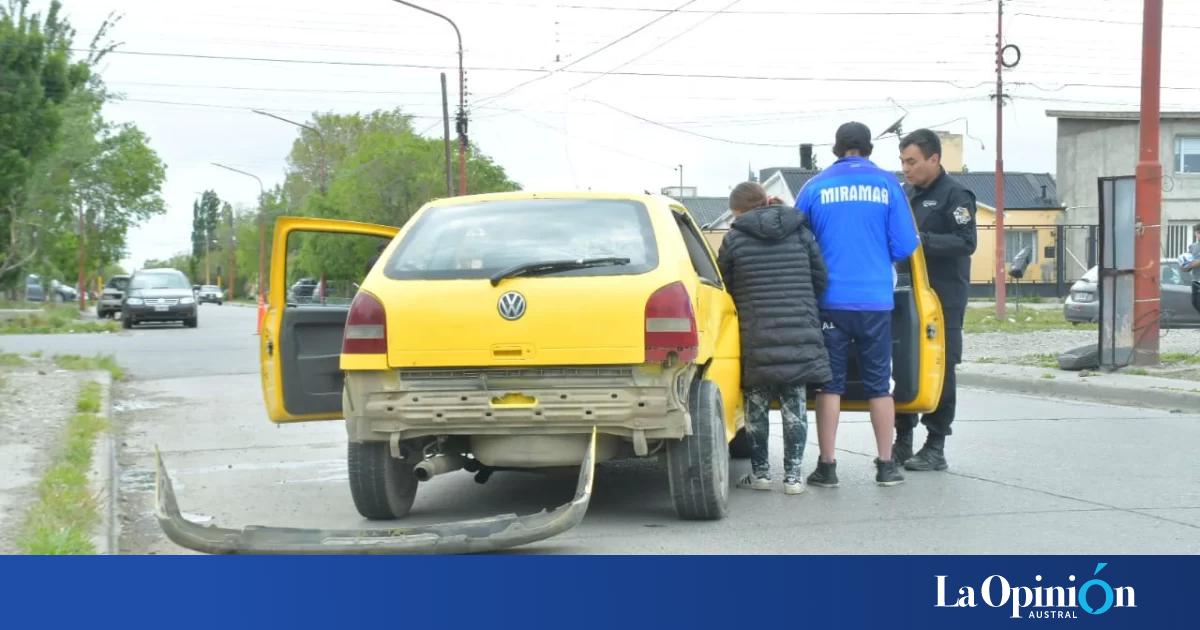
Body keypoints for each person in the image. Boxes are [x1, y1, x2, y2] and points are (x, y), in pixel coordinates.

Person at [795, 122, 920, 488]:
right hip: (876, 301)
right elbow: (904, 245)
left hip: (830, 299)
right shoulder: (888, 186)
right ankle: (885, 465)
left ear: (837, 148)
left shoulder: (814, 186)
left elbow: (800, 238)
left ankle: (827, 466)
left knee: (829, 386)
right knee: (880, 384)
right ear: (868, 148)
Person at [717, 182, 831, 495]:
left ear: (737, 211)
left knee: (756, 408)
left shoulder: (734, 240)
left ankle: (761, 474)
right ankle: (793, 476)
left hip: (756, 333)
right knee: (794, 404)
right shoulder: (800, 233)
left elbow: (723, 287)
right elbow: (821, 279)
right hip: (799, 330)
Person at [895, 128, 978, 472]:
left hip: (943, 297)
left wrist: (920, 240)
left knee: (941, 367)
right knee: (903, 364)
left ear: (934, 158)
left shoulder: (956, 195)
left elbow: (965, 241)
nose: (906, 168)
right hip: (906, 293)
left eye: (911, 161)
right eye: (902, 162)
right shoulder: (904, 193)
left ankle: (935, 444)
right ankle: (902, 441)